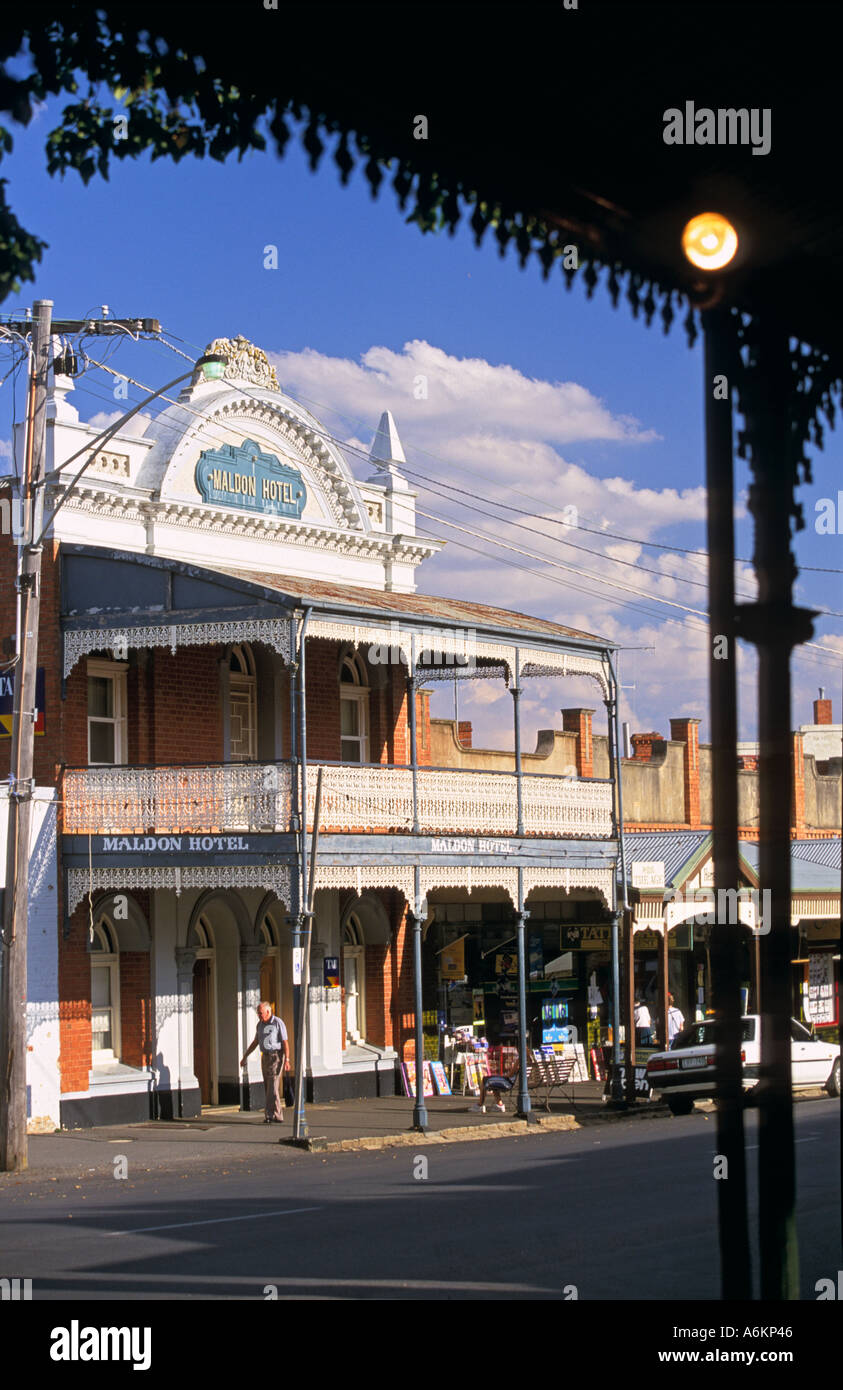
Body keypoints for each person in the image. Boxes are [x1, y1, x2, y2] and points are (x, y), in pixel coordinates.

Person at [240, 1001, 290, 1124]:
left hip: (276, 1056)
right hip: (265, 1057)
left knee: (273, 1086)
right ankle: (278, 1115)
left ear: (268, 1012)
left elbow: (285, 1043)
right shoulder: (260, 1025)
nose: (259, 1015)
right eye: (258, 1013)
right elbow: (255, 1042)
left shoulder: (278, 1023)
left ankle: (269, 1115)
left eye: (261, 1013)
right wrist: (245, 1056)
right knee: (269, 1087)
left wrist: (287, 1059)